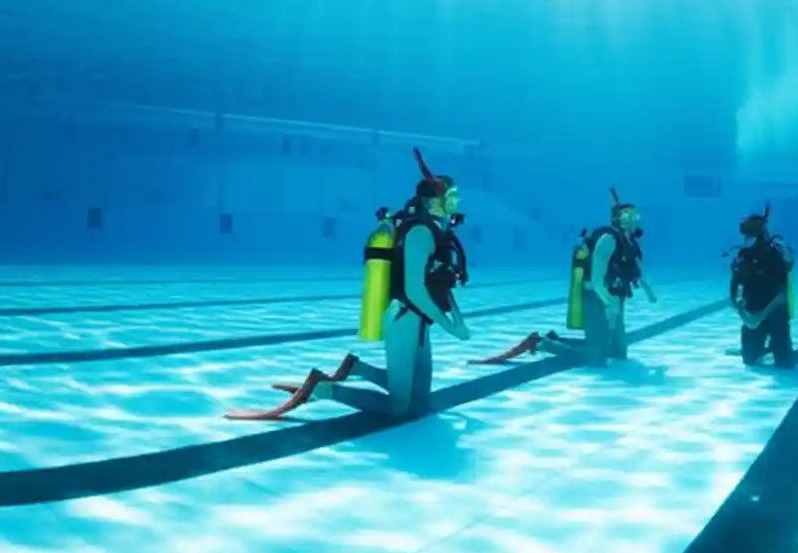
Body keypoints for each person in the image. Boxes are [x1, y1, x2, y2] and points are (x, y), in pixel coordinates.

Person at [227, 169, 471, 420]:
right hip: (404, 319)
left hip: (421, 321)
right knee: (399, 408)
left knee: (419, 405)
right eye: (451, 195)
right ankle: (322, 389)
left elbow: (442, 283)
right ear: (433, 201)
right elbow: (414, 289)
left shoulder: (438, 232)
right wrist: (451, 327)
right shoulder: (420, 233)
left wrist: (458, 321)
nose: (457, 201)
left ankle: (357, 368)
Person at [472, 190, 657, 368]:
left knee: (618, 353)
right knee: (597, 359)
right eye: (629, 215)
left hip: (615, 297)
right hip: (595, 296)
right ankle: (541, 343)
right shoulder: (608, 239)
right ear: (620, 218)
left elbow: (636, 270)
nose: (635, 219)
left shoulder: (630, 243)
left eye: (635, 215)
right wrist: (608, 301)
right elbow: (596, 278)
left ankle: (558, 339)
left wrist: (649, 293)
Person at [727, 205, 798, 369]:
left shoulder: (774, 255)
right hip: (753, 313)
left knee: (785, 363)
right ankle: (765, 348)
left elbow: (782, 294)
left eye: (750, 234)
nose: (746, 239)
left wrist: (759, 316)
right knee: (750, 361)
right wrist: (745, 316)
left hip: (775, 315)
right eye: (745, 234)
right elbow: (734, 292)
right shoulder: (741, 257)